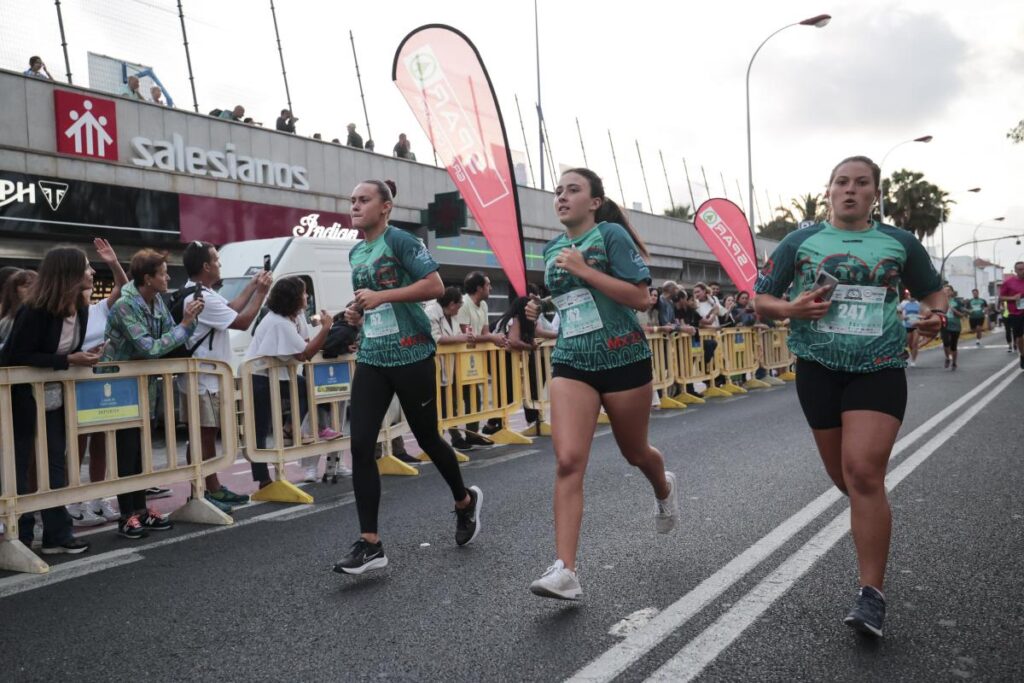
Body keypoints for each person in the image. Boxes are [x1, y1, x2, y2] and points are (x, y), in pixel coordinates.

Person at [754, 155, 946, 637]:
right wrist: (790, 306)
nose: (850, 190)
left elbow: (934, 293)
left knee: (862, 472)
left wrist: (934, 316)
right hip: (817, 368)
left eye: (861, 183)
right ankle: (872, 512)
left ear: (874, 194)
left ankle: (871, 597)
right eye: (842, 182)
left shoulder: (900, 243)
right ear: (829, 190)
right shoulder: (799, 242)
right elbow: (760, 300)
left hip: (878, 368)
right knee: (845, 477)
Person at [525, 167, 677, 601]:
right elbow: (576, 309)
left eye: (573, 190)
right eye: (558, 191)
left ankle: (663, 486)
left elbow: (640, 298)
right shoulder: (553, 248)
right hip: (572, 361)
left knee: (635, 453)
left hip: (624, 357)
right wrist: (541, 319)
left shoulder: (609, 235)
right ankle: (565, 570)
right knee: (568, 461)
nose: (562, 197)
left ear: (593, 202)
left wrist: (584, 270)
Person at [333, 179, 482, 575]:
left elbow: (433, 286)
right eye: (352, 200)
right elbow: (373, 301)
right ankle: (370, 543)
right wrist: (358, 314)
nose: (355, 205)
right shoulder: (355, 252)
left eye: (364, 200)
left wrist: (381, 297)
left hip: (411, 352)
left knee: (428, 437)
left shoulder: (399, 241)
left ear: (385, 207)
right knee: (361, 444)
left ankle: (464, 501)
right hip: (373, 356)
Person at [1, 247, 99, 554]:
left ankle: (58, 534)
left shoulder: (81, 307)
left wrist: (84, 357)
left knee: (56, 463)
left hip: (55, 400)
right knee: (23, 465)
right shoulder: (34, 311)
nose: (92, 272)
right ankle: (22, 536)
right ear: (68, 273)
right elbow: (18, 356)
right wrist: (68, 359)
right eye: (86, 267)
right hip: (21, 400)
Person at [102, 250, 204, 539]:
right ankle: (126, 515)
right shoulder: (124, 306)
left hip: (145, 386)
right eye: (163, 273)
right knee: (126, 449)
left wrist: (189, 319)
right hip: (117, 389)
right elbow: (150, 347)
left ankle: (141, 510)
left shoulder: (157, 300)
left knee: (140, 452)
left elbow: (170, 338)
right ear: (148, 278)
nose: (168, 277)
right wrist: (184, 325)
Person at [176, 241, 275, 511]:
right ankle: (201, 492)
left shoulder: (203, 292)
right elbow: (241, 320)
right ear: (206, 266)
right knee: (203, 436)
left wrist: (253, 284)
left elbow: (231, 307)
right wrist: (262, 292)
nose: (220, 264)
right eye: (217, 260)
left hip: (208, 378)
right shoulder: (199, 297)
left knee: (207, 434)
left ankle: (212, 488)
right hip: (202, 379)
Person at [244, 276, 334, 486]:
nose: (307, 296)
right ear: (293, 298)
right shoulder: (279, 322)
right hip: (259, 377)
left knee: (305, 387)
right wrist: (326, 328)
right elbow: (305, 354)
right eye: (303, 293)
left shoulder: (294, 316)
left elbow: (304, 342)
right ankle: (264, 480)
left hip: (275, 375)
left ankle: (290, 427)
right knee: (260, 427)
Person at [65, 238, 129, 527]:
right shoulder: (62, 314)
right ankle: (72, 500)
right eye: (88, 269)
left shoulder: (99, 309)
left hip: (102, 385)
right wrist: (77, 356)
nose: (92, 274)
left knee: (101, 441)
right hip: (74, 385)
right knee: (76, 443)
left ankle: (97, 498)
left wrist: (113, 262)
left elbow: (124, 289)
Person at [457, 271, 508, 442]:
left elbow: (485, 333)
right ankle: (456, 437)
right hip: (458, 358)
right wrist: (492, 337)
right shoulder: (463, 304)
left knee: (475, 396)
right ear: (479, 288)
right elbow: (466, 335)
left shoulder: (484, 306)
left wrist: (497, 339)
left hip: (475, 359)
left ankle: (472, 434)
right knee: (457, 399)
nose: (491, 288)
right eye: (488, 285)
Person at [425, 286, 476, 450]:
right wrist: (460, 338)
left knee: (450, 402)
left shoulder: (450, 315)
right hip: (435, 365)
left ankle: (456, 437)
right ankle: (451, 438)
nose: (460, 308)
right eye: (459, 305)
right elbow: (436, 338)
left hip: (450, 366)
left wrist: (461, 338)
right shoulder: (432, 312)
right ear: (452, 304)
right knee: (442, 404)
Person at [0, 269, 37, 347]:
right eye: (27, 286)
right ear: (15, 290)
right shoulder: (8, 321)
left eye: (36, 285)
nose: (32, 289)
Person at [998, 261, 1024, 369]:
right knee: (1020, 338)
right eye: (1020, 269)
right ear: (1016, 270)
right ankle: (1023, 355)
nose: (1022, 271)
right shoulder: (1008, 282)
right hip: (1015, 313)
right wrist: (1013, 298)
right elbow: (1001, 297)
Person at [940, 285, 967, 370]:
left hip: (955, 325)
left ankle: (954, 363)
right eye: (944, 290)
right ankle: (947, 358)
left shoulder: (957, 302)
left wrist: (953, 310)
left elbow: (962, 314)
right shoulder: (940, 302)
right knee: (946, 342)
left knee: (953, 345)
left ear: (952, 292)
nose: (946, 292)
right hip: (944, 325)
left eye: (948, 290)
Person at [898, 291, 921, 367]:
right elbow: (898, 311)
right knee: (909, 344)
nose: (911, 297)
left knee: (915, 343)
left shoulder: (918, 304)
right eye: (909, 295)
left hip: (917, 325)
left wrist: (920, 318)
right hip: (907, 325)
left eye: (912, 295)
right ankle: (912, 354)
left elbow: (923, 313)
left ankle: (913, 360)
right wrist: (902, 318)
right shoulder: (904, 303)